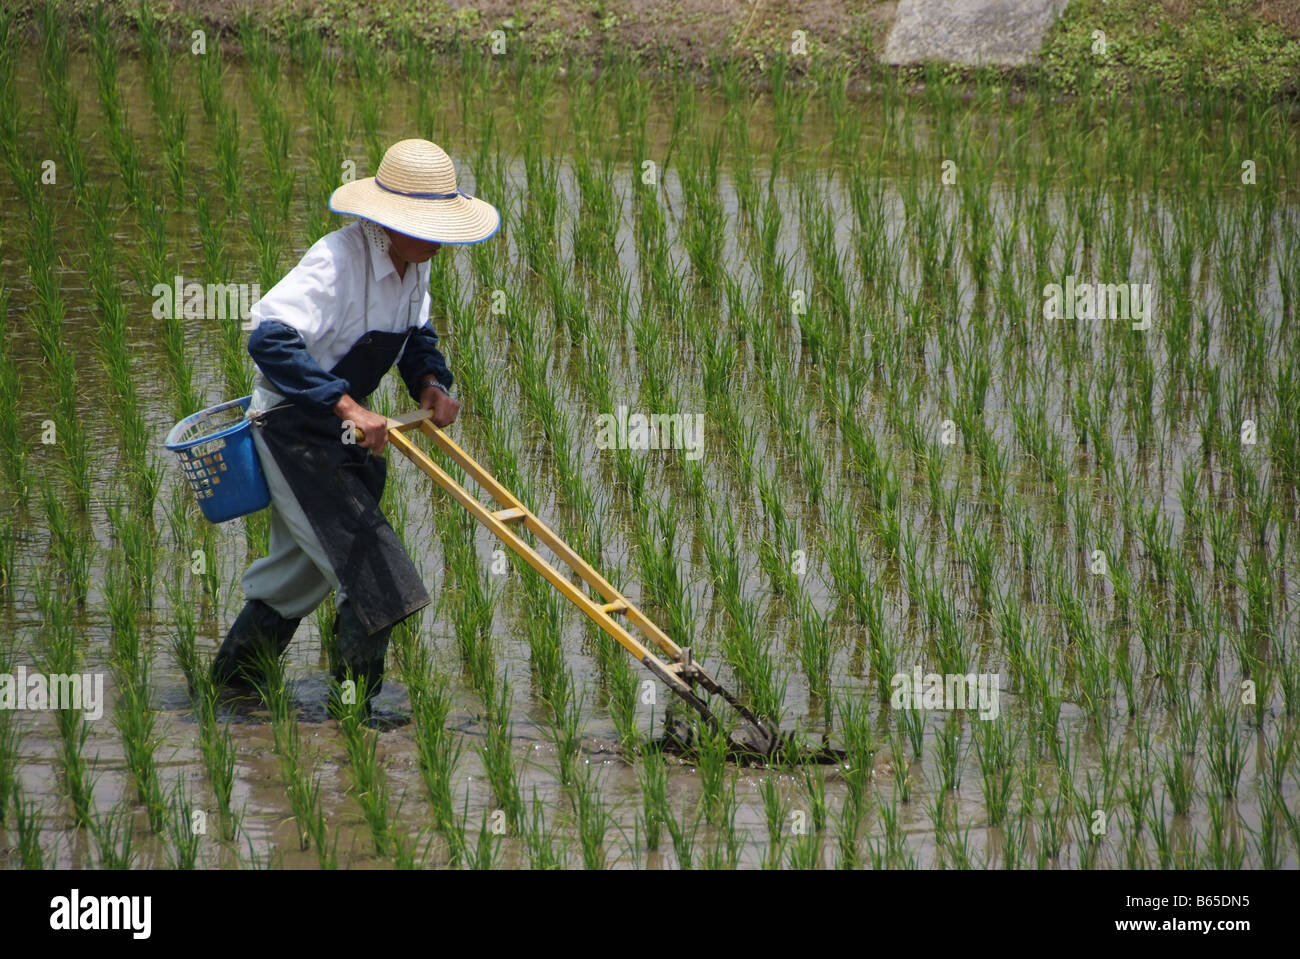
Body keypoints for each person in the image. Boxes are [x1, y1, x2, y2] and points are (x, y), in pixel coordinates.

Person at [210, 138, 500, 717]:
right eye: (430, 226)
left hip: (336, 436)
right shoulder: (338, 260)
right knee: (374, 579)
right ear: (392, 221)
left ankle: (227, 694)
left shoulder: (412, 264)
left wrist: (431, 385)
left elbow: (416, 335)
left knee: (295, 578)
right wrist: (347, 406)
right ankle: (355, 725)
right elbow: (268, 337)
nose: (440, 241)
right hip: (291, 432)